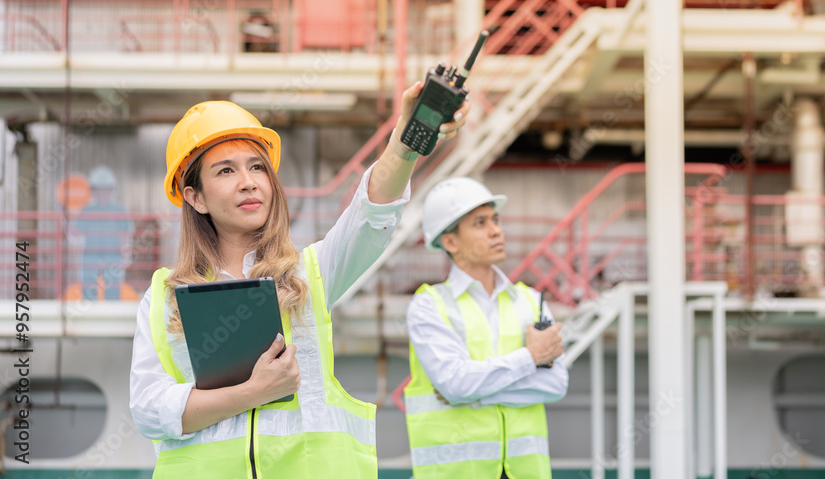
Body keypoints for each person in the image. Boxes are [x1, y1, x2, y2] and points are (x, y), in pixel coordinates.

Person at [129, 89, 467, 477]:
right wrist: (251, 393)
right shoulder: (163, 299)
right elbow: (149, 410)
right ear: (195, 197)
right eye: (226, 171)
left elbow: (370, 214)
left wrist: (407, 142)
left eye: (257, 167)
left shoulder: (311, 273)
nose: (248, 182)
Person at [404, 177, 568, 478]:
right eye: (480, 223)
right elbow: (454, 384)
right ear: (450, 242)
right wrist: (531, 357)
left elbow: (556, 385)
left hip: (525, 471)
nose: (496, 230)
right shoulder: (428, 306)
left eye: (495, 220)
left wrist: (477, 393)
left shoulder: (531, 301)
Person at [70, 165, 134, 300]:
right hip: (89, 256)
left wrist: (125, 255)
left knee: (113, 291)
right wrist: (69, 213)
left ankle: (112, 314)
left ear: (112, 191)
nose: (102, 193)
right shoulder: (86, 210)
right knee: (88, 291)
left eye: (106, 190)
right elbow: (75, 234)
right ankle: (87, 316)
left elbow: (125, 235)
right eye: (99, 190)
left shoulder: (119, 210)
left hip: (113, 255)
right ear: (93, 191)